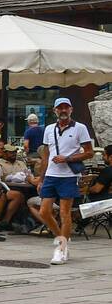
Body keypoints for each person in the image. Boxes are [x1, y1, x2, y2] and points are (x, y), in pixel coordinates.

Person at [38, 96, 95, 264]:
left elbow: (89, 152)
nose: (63, 110)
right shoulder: (49, 128)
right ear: (55, 110)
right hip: (51, 175)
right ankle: (62, 238)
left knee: (64, 213)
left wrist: (67, 158)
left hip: (69, 176)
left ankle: (61, 249)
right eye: (60, 108)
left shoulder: (80, 128)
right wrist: (41, 178)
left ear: (71, 109)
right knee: (44, 212)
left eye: (66, 107)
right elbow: (46, 155)